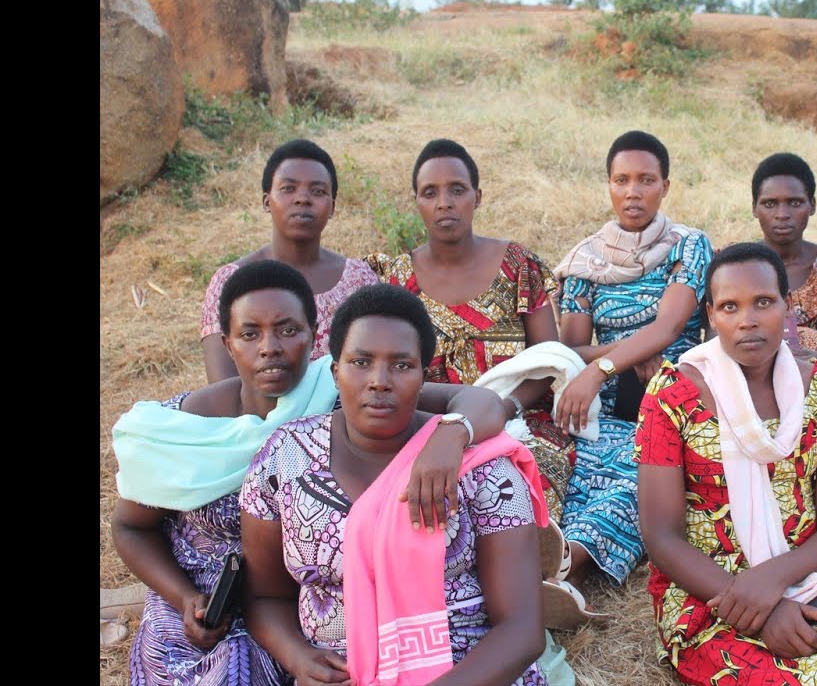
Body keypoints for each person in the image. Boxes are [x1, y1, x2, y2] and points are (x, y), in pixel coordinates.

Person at [108, 262, 510, 668]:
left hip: (290, 598)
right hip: (200, 600)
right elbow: (130, 527)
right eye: (250, 334)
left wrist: (451, 436)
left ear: (314, 335)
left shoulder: (343, 392)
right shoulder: (182, 429)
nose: (270, 347)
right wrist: (183, 597)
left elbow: (482, 402)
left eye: (288, 330)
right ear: (227, 344)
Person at [240, 284, 548, 686]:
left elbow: (522, 629)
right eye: (361, 362)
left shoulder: (480, 468)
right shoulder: (285, 459)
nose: (379, 381)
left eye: (401, 365)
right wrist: (300, 658)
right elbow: (265, 597)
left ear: (424, 376)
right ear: (335, 372)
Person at [636, 243, 817, 685]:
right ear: (711, 315)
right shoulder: (673, 394)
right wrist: (759, 606)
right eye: (729, 307)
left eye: (763, 302)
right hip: (707, 590)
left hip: (806, 575)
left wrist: (773, 581)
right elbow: (661, 536)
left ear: (787, 306)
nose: (747, 320)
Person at [365, 138, 575, 523]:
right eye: (430, 192)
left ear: (477, 197)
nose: (444, 202)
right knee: (409, 497)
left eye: (457, 190)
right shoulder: (395, 280)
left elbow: (549, 360)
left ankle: (540, 553)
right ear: (417, 202)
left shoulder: (518, 266)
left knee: (522, 482)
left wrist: (504, 409)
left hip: (516, 420)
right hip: (427, 423)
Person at [552, 130, 713, 599]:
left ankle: (570, 565)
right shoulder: (586, 260)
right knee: (578, 470)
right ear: (609, 185)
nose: (632, 192)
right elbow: (571, 350)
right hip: (605, 405)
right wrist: (624, 355)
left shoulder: (688, 246)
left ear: (665, 186)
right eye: (621, 180)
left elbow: (667, 328)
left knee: (641, 473)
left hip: (674, 399)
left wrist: (602, 367)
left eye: (646, 180)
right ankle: (556, 569)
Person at [199, 139, 379, 383]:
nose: (302, 199)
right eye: (288, 188)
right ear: (266, 201)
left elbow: (373, 367)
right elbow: (223, 384)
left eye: (317, 191)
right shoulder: (229, 282)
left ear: (332, 207)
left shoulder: (360, 280)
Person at [751, 152, 817, 367]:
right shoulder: (735, 265)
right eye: (770, 203)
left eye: (795, 202)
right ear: (754, 208)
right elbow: (717, 337)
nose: (782, 214)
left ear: (813, 205)